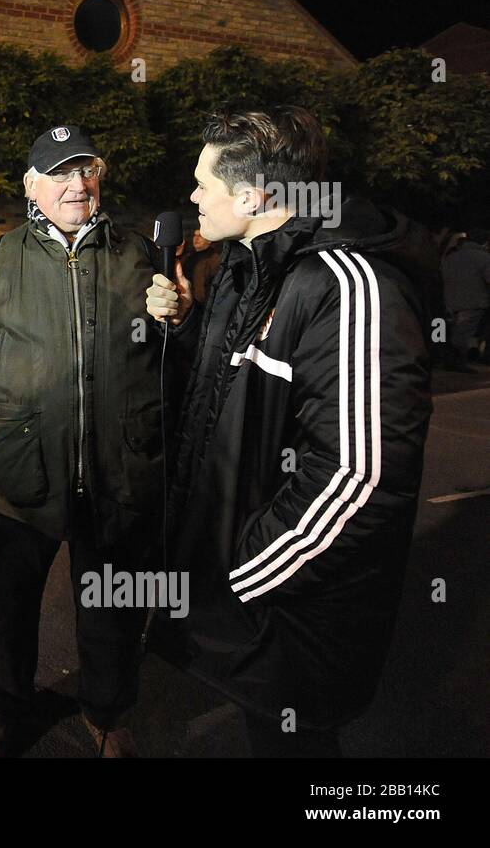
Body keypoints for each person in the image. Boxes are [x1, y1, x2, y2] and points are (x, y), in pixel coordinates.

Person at [145, 106, 436, 757]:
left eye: (203, 183)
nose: (191, 195)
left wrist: (243, 573)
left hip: (287, 611)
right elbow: (224, 399)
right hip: (252, 607)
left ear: (253, 195)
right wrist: (187, 327)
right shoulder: (241, 268)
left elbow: (357, 477)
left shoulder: (348, 283)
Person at [0, 125, 169, 758]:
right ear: (32, 187)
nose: (76, 184)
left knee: (114, 609)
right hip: (15, 472)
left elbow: (170, 357)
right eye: (59, 173)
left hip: (117, 469)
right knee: (9, 610)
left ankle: (108, 711)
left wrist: (183, 316)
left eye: (86, 170)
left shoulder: (138, 254)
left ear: (100, 179)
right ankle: (8, 709)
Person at [440, 231, 490, 364]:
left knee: (456, 332)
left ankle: (455, 358)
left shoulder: (450, 258)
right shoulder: (484, 258)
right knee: (465, 334)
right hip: (475, 302)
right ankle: (459, 362)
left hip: (450, 301)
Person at [179, 218, 221, 306]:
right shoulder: (188, 256)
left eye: (200, 236)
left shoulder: (214, 259)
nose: (196, 238)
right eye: (195, 235)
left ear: (209, 239)